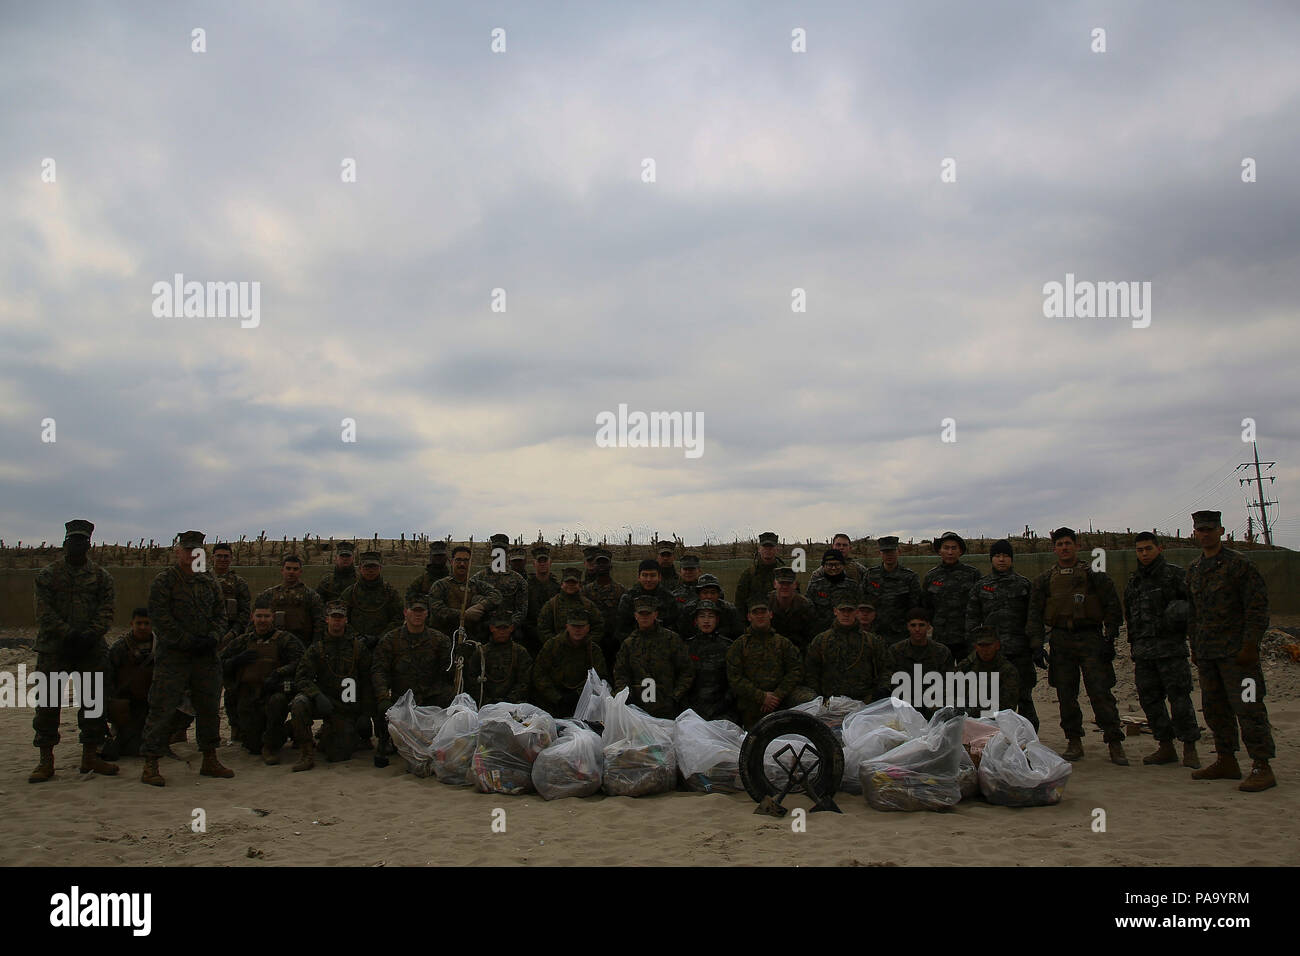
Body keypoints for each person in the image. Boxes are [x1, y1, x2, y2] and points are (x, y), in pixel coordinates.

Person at [1185, 510, 1276, 791]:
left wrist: (1251, 645)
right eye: (1201, 530)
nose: (1205, 534)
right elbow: (1193, 613)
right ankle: (1227, 760)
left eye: (1210, 529)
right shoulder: (1195, 569)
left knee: (1249, 708)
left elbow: (1257, 607)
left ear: (1221, 531)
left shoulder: (1239, 565)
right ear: (1195, 533)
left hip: (1238, 655)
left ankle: (1262, 765)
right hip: (1209, 654)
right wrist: (1195, 647)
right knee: (1215, 709)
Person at [1026, 527, 1128, 765]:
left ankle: (1114, 742)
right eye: (1059, 544)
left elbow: (1113, 607)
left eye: (1068, 543)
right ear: (1054, 549)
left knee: (1100, 692)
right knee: (1065, 694)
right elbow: (1034, 614)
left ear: (1077, 545)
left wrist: (1110, 638)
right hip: (1061, 640)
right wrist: (1036, 645)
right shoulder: (1044, 580)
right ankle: (1074, 741)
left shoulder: (1095, 574)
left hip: (1090, 638)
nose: (1064, 548)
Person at [139, 531, 233, 786]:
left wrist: (213, 637)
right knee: (162, 707)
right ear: (178, 552)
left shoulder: (209, 580)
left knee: (209, 707)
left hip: (205, 654)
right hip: (174, 656)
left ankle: (210, 758)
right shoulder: (165, 581)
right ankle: (151, 763)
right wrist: (184, 641)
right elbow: (160, 617)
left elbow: (220, 614)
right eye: (187, 550)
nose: (192, 554)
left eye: (196, 550)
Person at [30, 519, 118, 782]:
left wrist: (90, 633)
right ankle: (46, 761)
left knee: (92, 705)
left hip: (90, 649)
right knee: (47, 705)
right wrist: (67, 634)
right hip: (54, 648)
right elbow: (43, 611)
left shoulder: (102, 577)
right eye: (73, 540)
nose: (78, 545)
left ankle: (90, 755)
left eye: (82, 540)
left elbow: (107, 610)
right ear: (65, 542)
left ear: (88, 545)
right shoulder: (47, 575)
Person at [1123, 532, 1200, 768]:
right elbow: (1131, 616)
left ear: (1160, 548)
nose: (1144, 554)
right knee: (1150, 700)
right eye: (1140, 550)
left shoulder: (1175, 575)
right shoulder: (1134, 582)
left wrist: (1177, 615)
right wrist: (1133, 645)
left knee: (1179, 699)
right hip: (1144, 653)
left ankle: (1189, 746)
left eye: (1148, 548)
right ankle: (1165, 745)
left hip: (1171, 650)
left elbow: (1194, 608)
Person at [220, 593, 305, 764]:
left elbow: (301, 661)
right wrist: (236, 660)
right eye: (259, 616)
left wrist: (279, 673)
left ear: (273, 618)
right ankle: (287, 731)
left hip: (272, 693)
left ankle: (270, 746)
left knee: (277, 702)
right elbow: (219, 663)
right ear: (252, 617)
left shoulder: (285, 639)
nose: (263, 620)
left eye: (266, 616)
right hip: (248, 694)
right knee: (252, 746)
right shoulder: (243, 641)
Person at [371, 596, 455, 767]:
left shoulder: (439, 640)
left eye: (421, 611)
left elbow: (448, 671)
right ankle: (385, 741)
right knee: (381, 706)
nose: (417, 615)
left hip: (430, 697)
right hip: (401, 698)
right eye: (413, 611)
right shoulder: (390, 639)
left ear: (427, 614)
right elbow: (379, 670)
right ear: (405, 612)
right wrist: (382, 696)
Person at [289, 601, 372, 770]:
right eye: (333, 617)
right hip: (323, 701)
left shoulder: (357, 648)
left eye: (340, 617)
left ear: (346, 620)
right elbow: (302, 678)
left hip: (345, 707)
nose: (337, 621)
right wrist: (316, 695)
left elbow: (367, 681)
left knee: (337, 755)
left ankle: (332, 733)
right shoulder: (316, 649)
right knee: (299, 703)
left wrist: (365, 713)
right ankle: (306, 753)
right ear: (326, 620)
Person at [965, 539, 1038, 730]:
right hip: (992, 654)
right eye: (997, 556)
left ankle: (1029, 739)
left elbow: (1033, 618)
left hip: (1020, 651)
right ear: (991, 559)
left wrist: (1036, 646)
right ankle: (994, 738)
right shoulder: (981, 586)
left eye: (1006, 556)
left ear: (1012, 559)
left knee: (1024, 697)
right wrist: (976, 647)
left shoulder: (1024, 585)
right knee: (992, 697)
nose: (1002, 559)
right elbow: (972, 619)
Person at [103, 608, 186, 759]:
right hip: (130, 704)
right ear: (131, 624)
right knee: (132, 750)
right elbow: (108, 677)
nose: (142, 627)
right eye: (139, 623)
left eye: (146, 623)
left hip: (156, 701)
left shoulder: (162, 646)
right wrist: (112, 704)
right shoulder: (120, 648)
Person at [725, 600, 811, 728]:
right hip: (752, 702)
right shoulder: (739, 645)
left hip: (780, 699)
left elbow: (796, 670)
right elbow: (735, 678)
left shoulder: (783, 643)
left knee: (807, 698)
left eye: (763, 612)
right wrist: (762, 697)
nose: (760, 616)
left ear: (770, 614)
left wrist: (777, 695)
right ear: (749, 617)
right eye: (756, 613)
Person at [613, 594, 694, 719]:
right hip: (637, 707)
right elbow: (621, 673)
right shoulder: (629, 643)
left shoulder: (671, 639)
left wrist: (676, 696)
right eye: (641, 614)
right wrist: (625, 696)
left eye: (648, 614)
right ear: (635, 616)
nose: (644, 617)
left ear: (655, 614)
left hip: (668, 707)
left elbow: (686, 670)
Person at [804, 600, 891, 703]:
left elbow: (885, 669)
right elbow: (811, 671)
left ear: (856, 612)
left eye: (850, 611)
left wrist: (879, 693)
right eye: (842, 611)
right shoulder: (821, 640)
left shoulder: (871, 641)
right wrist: (819, 697)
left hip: (865, 702)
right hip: (829, 702)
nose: (846, 614)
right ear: (835, 611)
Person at [532, 607, 609, 718]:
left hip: (583, 703)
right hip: (552, 703)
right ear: (567, 626)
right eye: (574, 626)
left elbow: (599, 677)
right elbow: (539, 674)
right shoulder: (552, 646)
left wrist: (578, 694)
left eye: (581, 626)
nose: (577, 630)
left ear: (588, 628)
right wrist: (556, 697)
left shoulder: (593, 650)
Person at [212, 541, 252, 742]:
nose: (222, 559)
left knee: (233, 688)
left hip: (231, 642)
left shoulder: (238, 584)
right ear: (212, 558)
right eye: (219, 556)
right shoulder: (203, 580)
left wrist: (233, 634)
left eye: (226, 556)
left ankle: (235, 727)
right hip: (207, 642)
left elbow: (245, 613)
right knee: (205, 690)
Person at [922, 531, 981, 662]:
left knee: (967, 679)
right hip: (941, 639)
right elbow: (927, 606)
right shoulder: (931, 576)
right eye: (946, 548)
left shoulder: (973, 574)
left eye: (954, 548)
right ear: (939, 551)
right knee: (941, 679)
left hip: (966, 638)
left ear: (960, 551)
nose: (950, 552)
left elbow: (979, 605)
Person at [885, 608, 954, 719]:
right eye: (913, 625)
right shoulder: (896, 651)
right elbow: (888, 678)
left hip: (933, 703)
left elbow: (949, 681)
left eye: (921, 625)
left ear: (928, 626)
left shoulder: (941, 652)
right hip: (904, 703)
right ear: (908, 627)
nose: (917, 629)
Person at [427, 545, 502, 641]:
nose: (462, 564)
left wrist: (480, 606)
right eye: (458, 560)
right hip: (445, 639)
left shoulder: (476, 585)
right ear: (451, 561)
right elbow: (437, 610)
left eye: (466, 560)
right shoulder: (440, 585)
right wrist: (464, 615)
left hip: (472, 638)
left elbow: (497, 595)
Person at [463, 611, 534, 707]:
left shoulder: (520, 652)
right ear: (491, 628)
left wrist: (508, 701)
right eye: (498, 628)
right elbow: (472, 680)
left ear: (511, 628)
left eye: (505, 628)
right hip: (484, 704)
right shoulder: (481, 652)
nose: (502, 632)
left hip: (513, 704)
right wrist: (486, 701)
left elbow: (524, 682)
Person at [682, 600, 737, 723]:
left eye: (710, 616)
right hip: (692, 709)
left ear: (717, 620)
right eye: (702, 616)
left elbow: (734, 680)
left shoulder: (728, 646)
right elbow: (682, 678)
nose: (706, 620)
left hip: (723, 710)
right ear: (696, 621)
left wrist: (723, 705)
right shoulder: (686, 647)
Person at [338, 550, 404, 649]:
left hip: (384, 644)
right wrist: (357, 636)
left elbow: (399, 618)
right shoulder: (350, 592)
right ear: (360, 568)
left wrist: (380, 638)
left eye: (374, 567)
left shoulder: (390, 592)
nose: (370, 571)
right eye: (367, 567)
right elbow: (340, 617)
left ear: (380, 568)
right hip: (354, 644)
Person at [258, 554, 325, 648]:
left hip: (302, 644)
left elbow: (319, 623)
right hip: (272, 643)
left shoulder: (311, 595)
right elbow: (255, 621)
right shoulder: (268, 595)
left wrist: (315, 646)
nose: (291, 572)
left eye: (295, 569)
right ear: (282, 570)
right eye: (288, 568)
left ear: (300, 572)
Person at [863, 535, 922, 642]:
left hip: (901, 634)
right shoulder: (871, 575)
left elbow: (915, 606)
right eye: (885, 552)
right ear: (880, 553)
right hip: (875, 632)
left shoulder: (909, 577)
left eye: (892, 551)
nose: (889, 555)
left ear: (898, 552)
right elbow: (863, 601)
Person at [954, 626, 1020, 716]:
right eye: (981, 645)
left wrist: (972, 712)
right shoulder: (965, 667)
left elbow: (1007, 706)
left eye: (989, 645)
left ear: (997, 645)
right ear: (976, 646)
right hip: (965, 718)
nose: (985, 650)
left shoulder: (1007, 670)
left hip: (995, 719)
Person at [471, 533, 529, 633]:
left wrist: (508, 628)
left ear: (507, 552)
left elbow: (521, 610)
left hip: (509, 632)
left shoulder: (518, 580)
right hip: (484, 630)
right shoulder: (478, 578)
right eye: (496, 549)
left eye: (502, 549)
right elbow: (469, 600)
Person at [536, 567, 606, 647]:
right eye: (567, 583)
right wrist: (555, 643)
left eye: (574, 583)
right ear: (562, 584)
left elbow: (598, 626)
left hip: (582, 650)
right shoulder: (552, 605)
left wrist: (587, 643)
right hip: (558, 650)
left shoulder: (588, 605)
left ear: (579, 585)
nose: (570, 585)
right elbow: (543, 628)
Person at [615, 559, 679, 640]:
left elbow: (674, 625)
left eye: (652, 575)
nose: (648, 580)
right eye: (645, 575)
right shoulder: (628, 598)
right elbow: (622, 629)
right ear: (639, 577)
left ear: (659, 577)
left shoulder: (668, 598)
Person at [582, 551, 625, 663]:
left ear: (610, 566)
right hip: (594, 641)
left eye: (604, 563)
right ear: (594, 566)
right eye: (598, 563)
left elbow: (624, 617)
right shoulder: (586, 591)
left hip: (615, 642)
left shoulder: (620, 590)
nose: (601, 566)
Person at [805, 550, 862, 634]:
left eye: (837, 564)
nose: (833, 568)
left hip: (848, 633)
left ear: (843, 565)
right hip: (820, 634)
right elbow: (808, 611)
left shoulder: (852, 586)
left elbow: (859, 611)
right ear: (823, 566)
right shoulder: (815, 586)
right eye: (829, 565)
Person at [734, 531, 787, 617]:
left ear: (776, 549)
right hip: (754, 621)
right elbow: (740, 603)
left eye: (771, 547)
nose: (768, 550)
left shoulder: (784, 574)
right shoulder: (749, 574)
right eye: (765, 547)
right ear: (759, 549)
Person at [522, 543, 561, 656]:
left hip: (553, 638)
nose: (542, 564)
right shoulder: (526, 588)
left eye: (545, 560)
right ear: (534, 563)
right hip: (531, 639)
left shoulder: (557, 588)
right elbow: (523, 614)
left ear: (550, 562)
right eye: (540, 561)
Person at [767, 566, 817, 652]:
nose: (785, 587)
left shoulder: (806, 606)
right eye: (781, 583)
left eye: (788, 583)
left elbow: (811, 636)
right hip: (771, 649)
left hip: (798, 649)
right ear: (775, 584)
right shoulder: (766, 604)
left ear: (795, 585)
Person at [406, 540, 451, 605]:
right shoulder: (422, 580)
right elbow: (409, 597)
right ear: (431, 557)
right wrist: (430, 600)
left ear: (446, 557)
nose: (438, 558)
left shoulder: (452, 578)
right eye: (436, 555)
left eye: (441, 555)